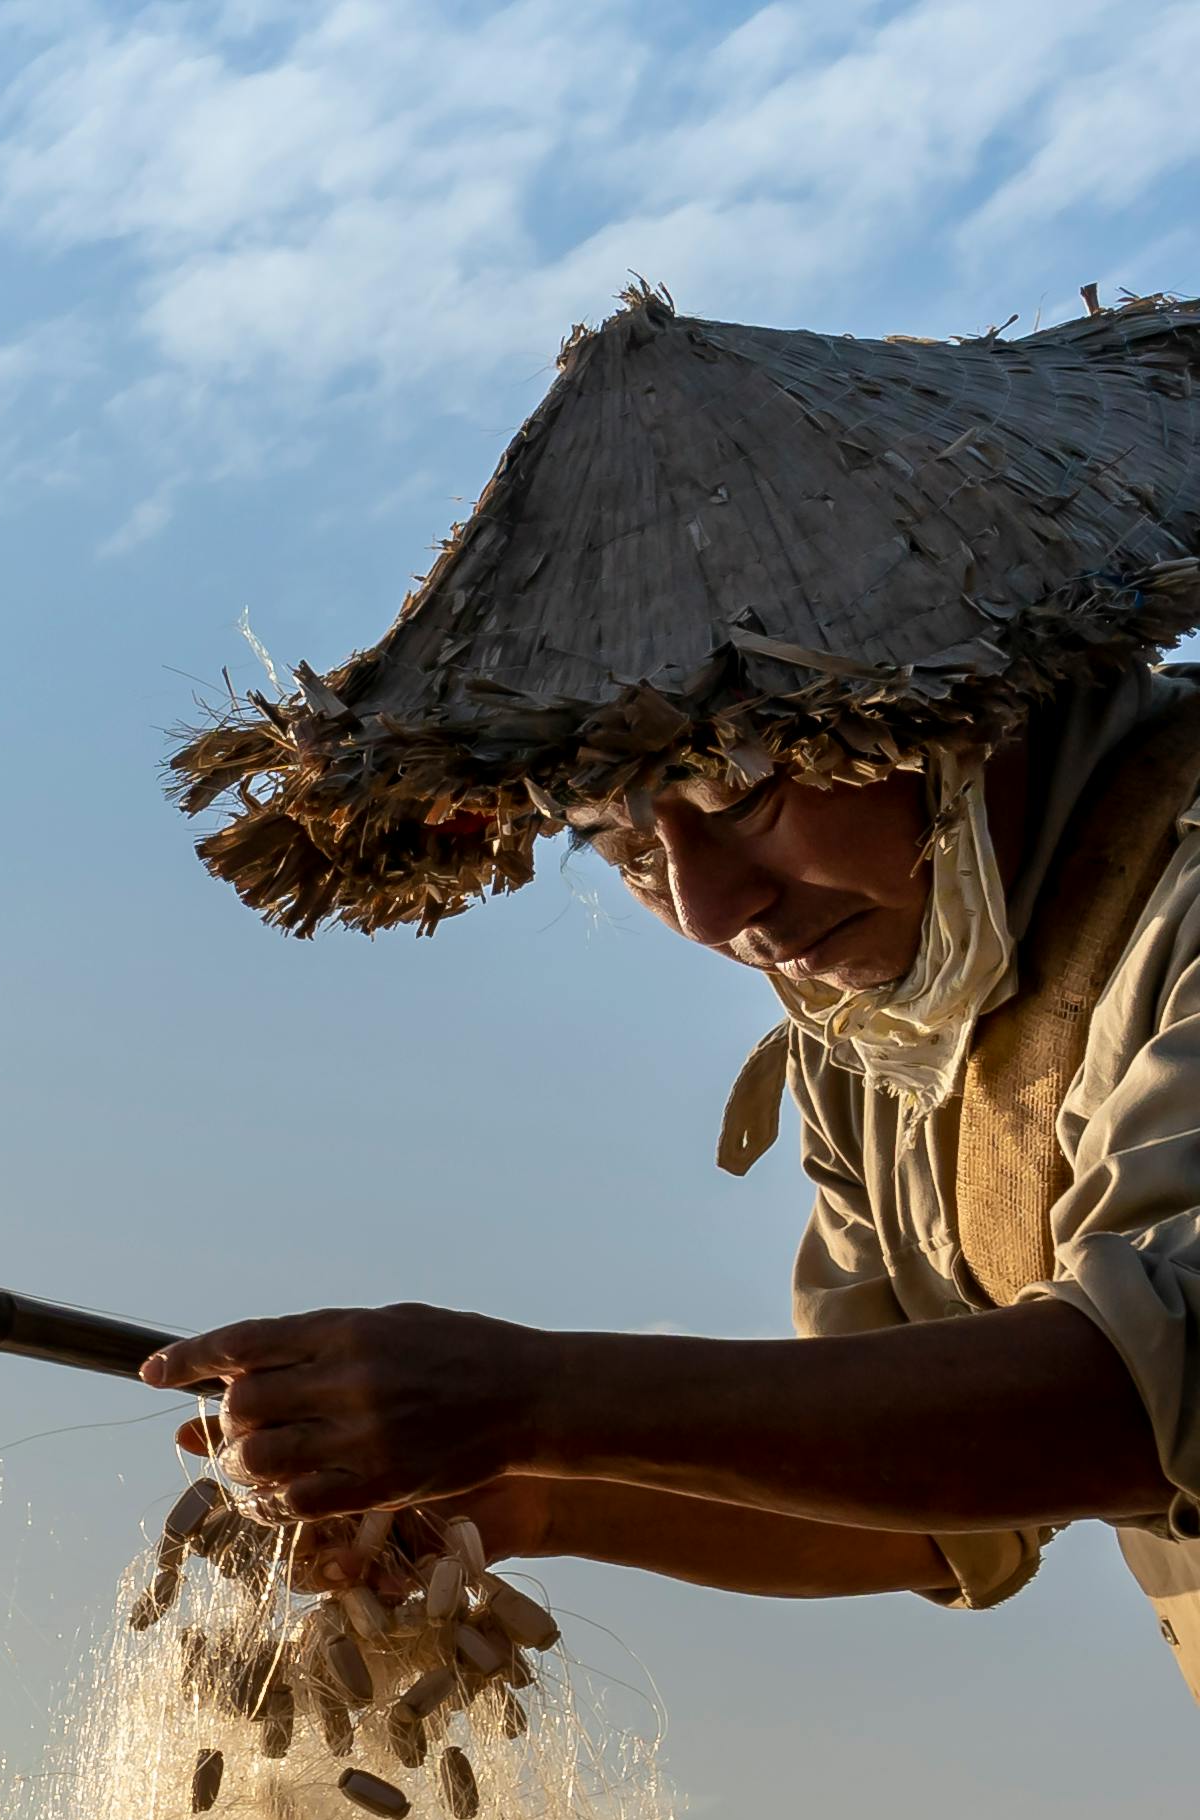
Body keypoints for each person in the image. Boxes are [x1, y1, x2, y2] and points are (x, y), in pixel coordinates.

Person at [137, 290, 1200, 1684]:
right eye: (630, 844)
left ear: (957, 711)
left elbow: (1141, 1397)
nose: (710, 913)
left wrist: (538, 1395)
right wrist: (518, 1491)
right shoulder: (877, 1025)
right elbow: (948, 1521)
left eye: (747, 797)